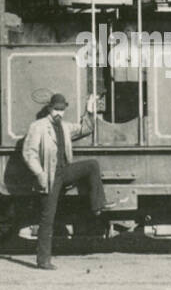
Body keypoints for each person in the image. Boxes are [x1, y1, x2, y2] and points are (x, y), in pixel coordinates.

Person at [22, 92, 113, 270]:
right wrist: (39, 174)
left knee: (92, 165)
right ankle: (43, 261)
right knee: (47, 218)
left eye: (62, 109)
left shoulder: (64, 126)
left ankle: (97, 206)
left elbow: (84, 129)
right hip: (49, 176)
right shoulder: (38, 126)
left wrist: (90, 111)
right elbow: (28, 153)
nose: (59, 112)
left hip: (64, 172)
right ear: (50, 108)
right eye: (56, 109)